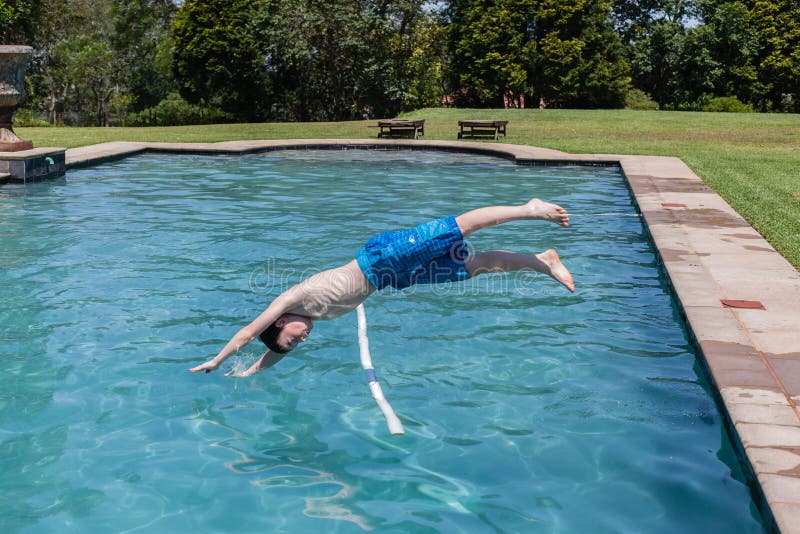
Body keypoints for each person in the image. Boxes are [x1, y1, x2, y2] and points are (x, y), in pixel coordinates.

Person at [189, 199, 574, 377]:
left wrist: (218, 360)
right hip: (392, 278)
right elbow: (275, 352)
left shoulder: (293, 299)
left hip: (383, 259)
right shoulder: (310, 317)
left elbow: (247, 333)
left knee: (458, 228)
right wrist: (254, 369)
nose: (301, 339)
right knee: (471, 268)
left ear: (279, 324)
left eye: (292, 338)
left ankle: (530, 209)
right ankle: (541, 262)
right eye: (297, 343)